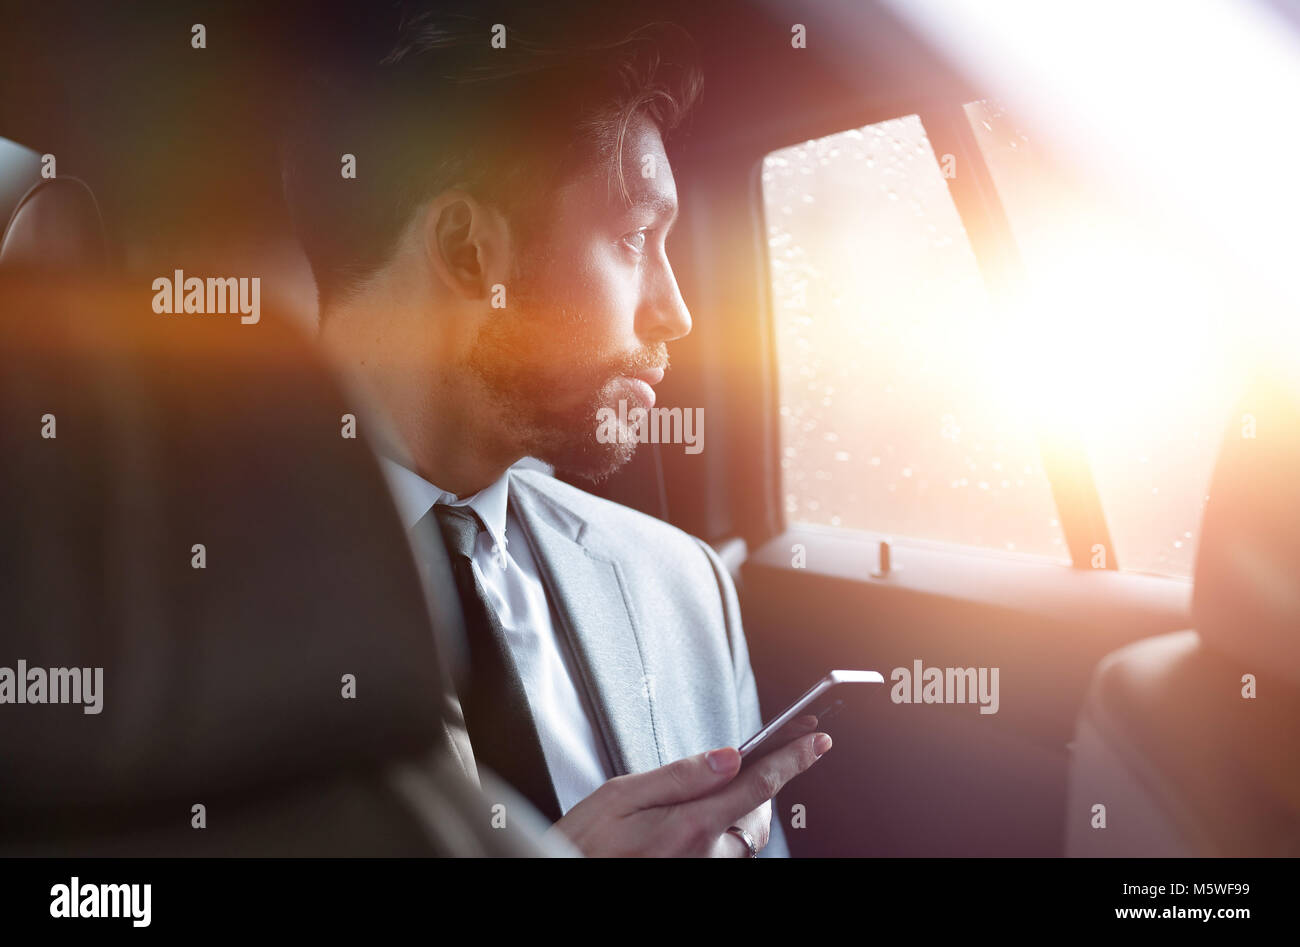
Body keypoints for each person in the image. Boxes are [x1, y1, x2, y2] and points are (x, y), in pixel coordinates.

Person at [281, 5, 831, 856]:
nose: (676, 312)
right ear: (469, 252)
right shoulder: (168, 611)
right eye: (634, 237)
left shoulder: (684, 589)